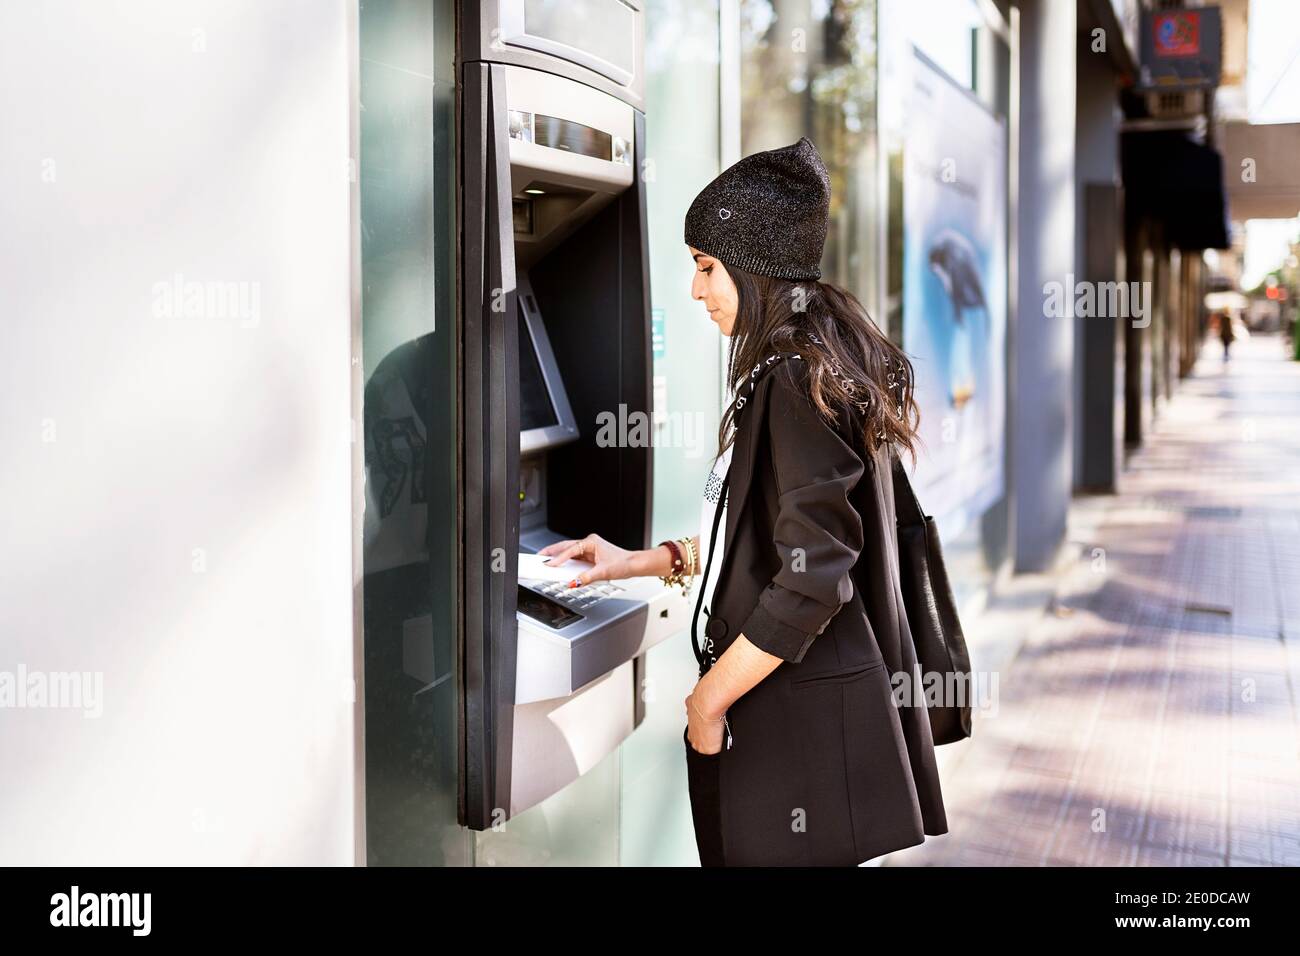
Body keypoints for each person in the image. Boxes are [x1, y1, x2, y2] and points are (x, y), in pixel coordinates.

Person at [539, 136, 948, 866]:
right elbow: (771, 539)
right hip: (801, 728)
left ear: (754, 267)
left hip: (791, 736)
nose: (697, 291)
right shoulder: (815, 366)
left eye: (706, 266)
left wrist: (708, 702)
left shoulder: (794, 380)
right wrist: (642, 561)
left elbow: (814, 575)